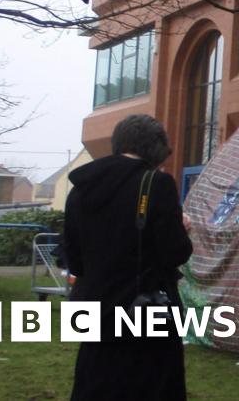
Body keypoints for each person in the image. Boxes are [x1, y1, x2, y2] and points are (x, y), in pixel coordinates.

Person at [63, 114, 193, 401]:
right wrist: (181, 229)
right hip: (145, 313)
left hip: (95, 311)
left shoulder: (80, 190)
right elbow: (175, 252)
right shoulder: (157, 184)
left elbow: (74, 260)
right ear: (156, 147)